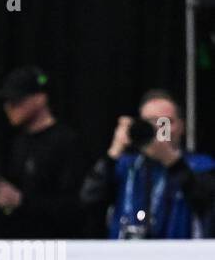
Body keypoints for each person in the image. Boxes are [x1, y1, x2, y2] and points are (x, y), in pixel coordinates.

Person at [79, 88, 215, 238]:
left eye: (165, 122)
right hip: (126, 255)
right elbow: (89, 199)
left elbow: (207, 201)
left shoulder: (199, 164)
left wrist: (172, 161)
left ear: (182, 126)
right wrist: (114, 151)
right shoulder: (125, 165)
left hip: (179, 254)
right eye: (149, 123)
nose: (158, 129)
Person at [0, 66, 90, 238]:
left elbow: (75, 205)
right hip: (18, 245)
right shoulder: (17, 142)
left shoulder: (67, 142)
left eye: (16, 101)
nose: (9, 107)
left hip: (55, 249)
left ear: (40, 99)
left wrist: (20, 200)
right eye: (6, 102)